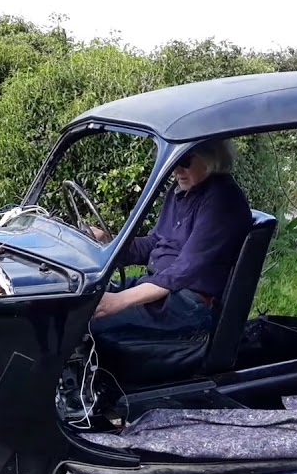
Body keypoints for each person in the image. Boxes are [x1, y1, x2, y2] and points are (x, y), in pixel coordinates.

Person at [88, 138, 252, 345]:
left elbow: (184, 270)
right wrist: (107, 242)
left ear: (211, 157)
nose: (177, 169)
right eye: (174, 161)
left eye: (184, 160)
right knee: (79, 300)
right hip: (160, 289)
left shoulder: (222, 200)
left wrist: (120, 301)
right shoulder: (181, 192)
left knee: (87, 324)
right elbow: (154, 242)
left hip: (189, 303)